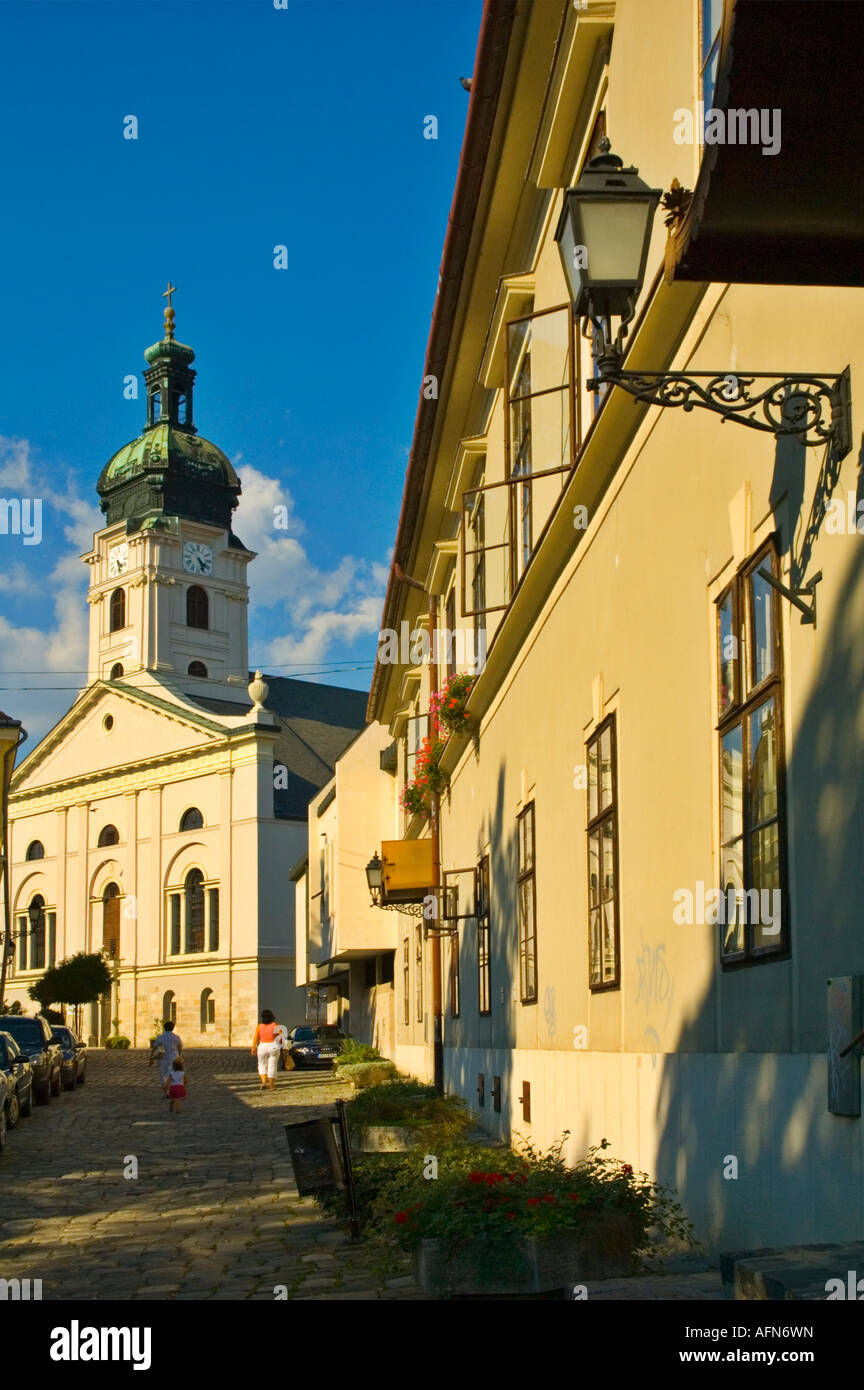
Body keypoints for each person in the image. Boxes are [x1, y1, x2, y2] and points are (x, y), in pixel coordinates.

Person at [251, 1009, 281, 1089]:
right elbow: (281, 1037)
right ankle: (271, 1085)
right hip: (273, 1046)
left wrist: (254, 1047)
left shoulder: (259, 1026)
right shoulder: (275, 1025)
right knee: (272, 1065)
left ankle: (264, 1082)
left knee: (262, 1065)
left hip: (262, 1046)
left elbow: (256, 1038)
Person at [149, 1019, 183, 1087]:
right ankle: (171, 1088)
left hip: (162, 1057)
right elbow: (180, 1047)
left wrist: (151, 1058)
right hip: (174, 1057)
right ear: (173, 1028)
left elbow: (154, 1047)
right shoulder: (176, 1037)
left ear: (164, 1028)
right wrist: (179, 1056)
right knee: (172, 1073)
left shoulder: (160, 1037)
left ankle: (166, 1090)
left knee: (163, 1074)